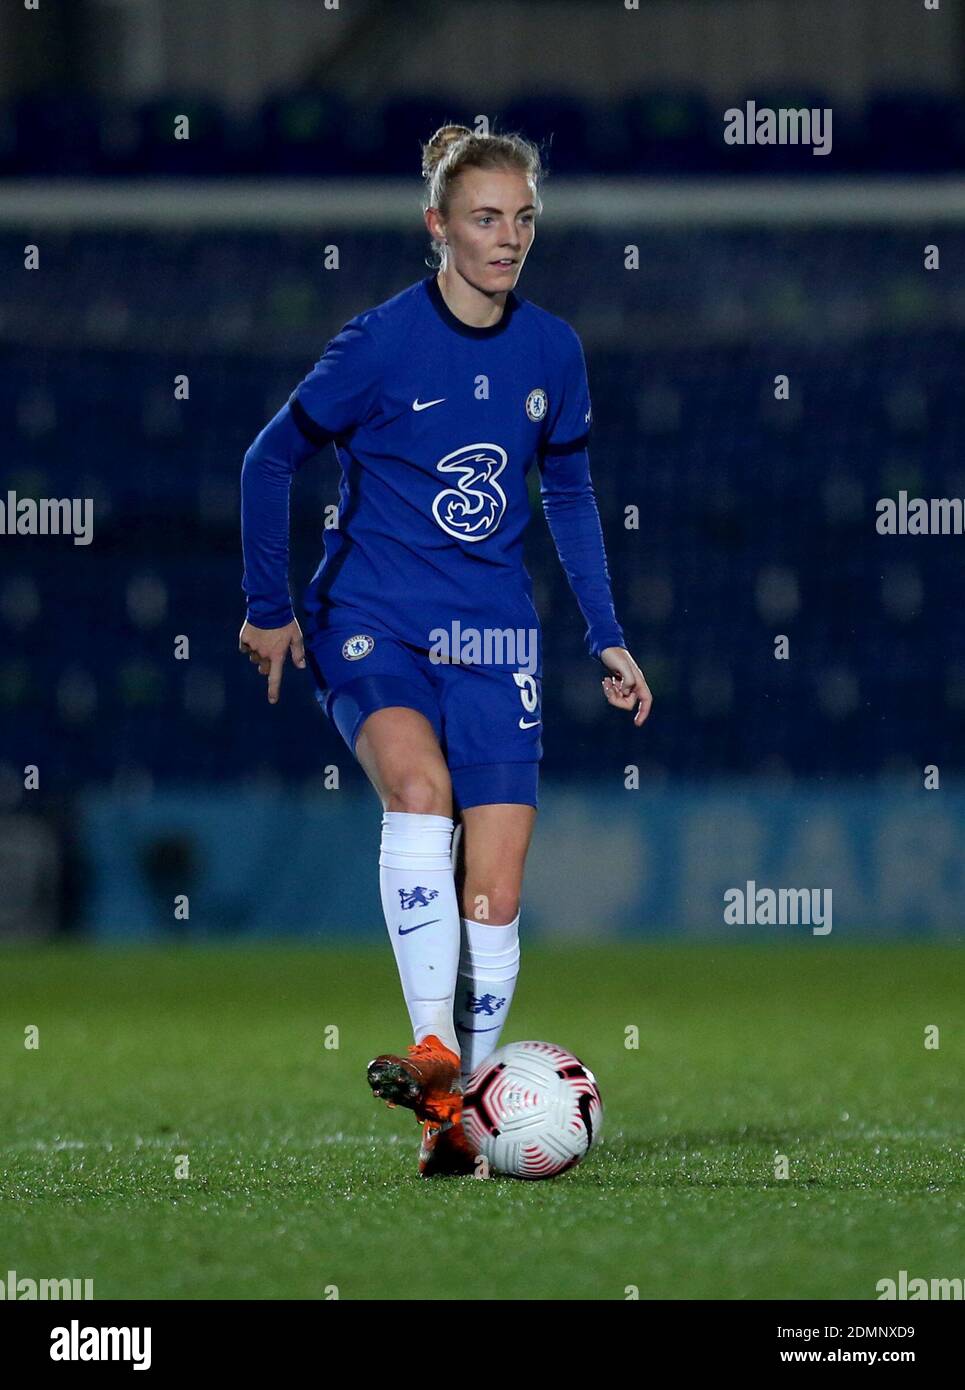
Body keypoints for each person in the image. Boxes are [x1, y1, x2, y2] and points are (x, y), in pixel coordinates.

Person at [239, 123, 652, 1176]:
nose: (507, 236)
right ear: (437, 226)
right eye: (484, 218)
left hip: (493, 633)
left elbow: (566, 491)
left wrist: (606, 635)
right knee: (419, 791)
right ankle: (435, 1054)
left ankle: (455, 1116)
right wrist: (269, 605)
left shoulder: (552, 350)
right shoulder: (378, 342)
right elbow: (267, 458)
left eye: (521, 218)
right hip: (367, 617)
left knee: (497, 893)